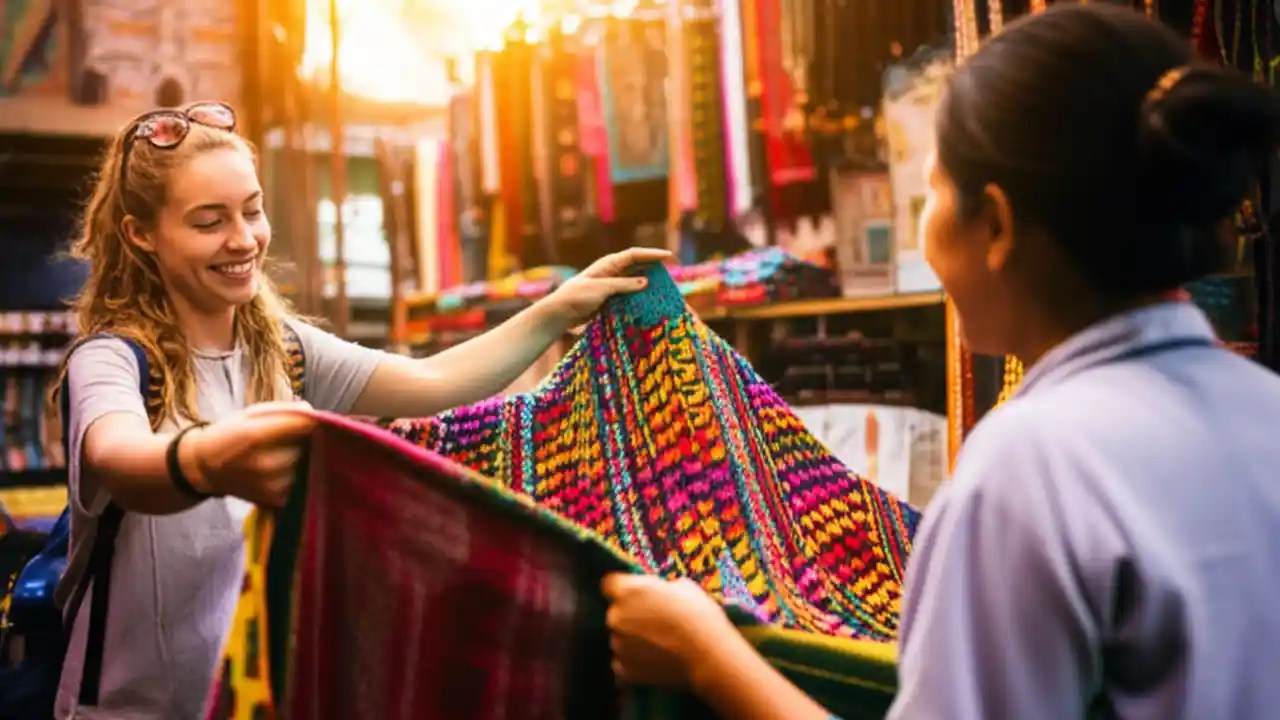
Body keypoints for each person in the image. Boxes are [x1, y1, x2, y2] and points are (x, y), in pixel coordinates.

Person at [601, 5, 1280, 719]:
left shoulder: (1031, 470)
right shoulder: (1263, 409)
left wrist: (707, 658)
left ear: (996, 224)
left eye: (933, 194)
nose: (926, 230)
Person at [54, 101, 669, 718]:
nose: (243, 239)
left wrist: (562, 307)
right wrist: (204, 462)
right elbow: (120, 457)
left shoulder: (284, 349)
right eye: (208, 222)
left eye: (252, 210)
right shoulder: (111, 360)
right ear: (141, 234)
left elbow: (434, 380)